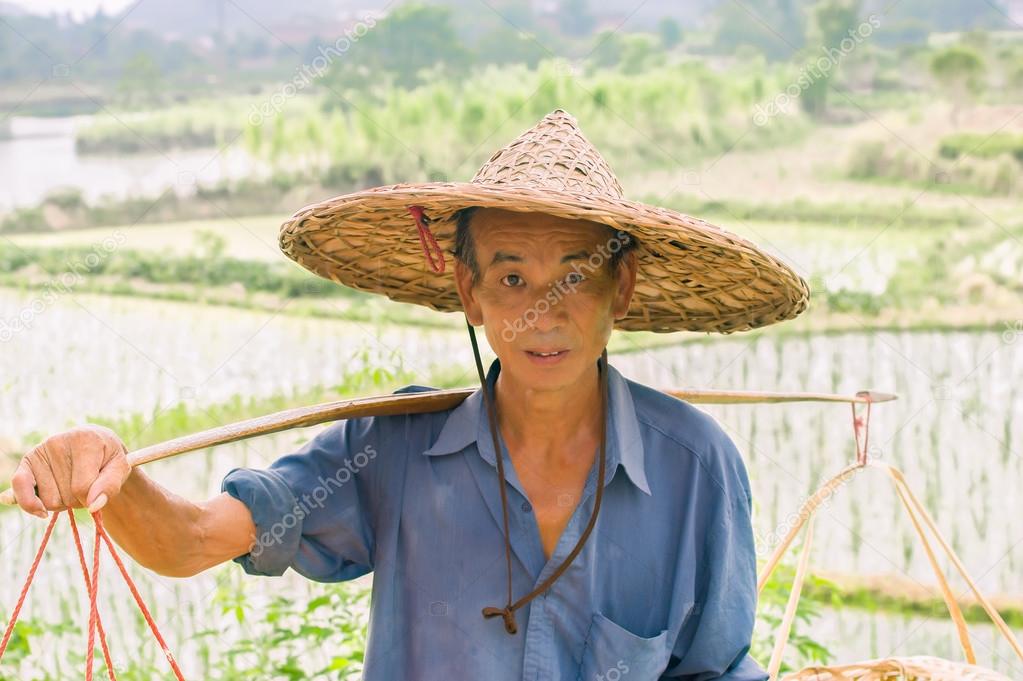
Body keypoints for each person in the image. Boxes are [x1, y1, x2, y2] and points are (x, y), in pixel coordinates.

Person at [11, 110, 809, 679]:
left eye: (575, 274)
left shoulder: (693, 465)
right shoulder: (389, 448)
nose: (543, 312)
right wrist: (108, 473)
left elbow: (713, 667)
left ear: (621, 287)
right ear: (469, 290)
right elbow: (189, 540)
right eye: (510, 277)